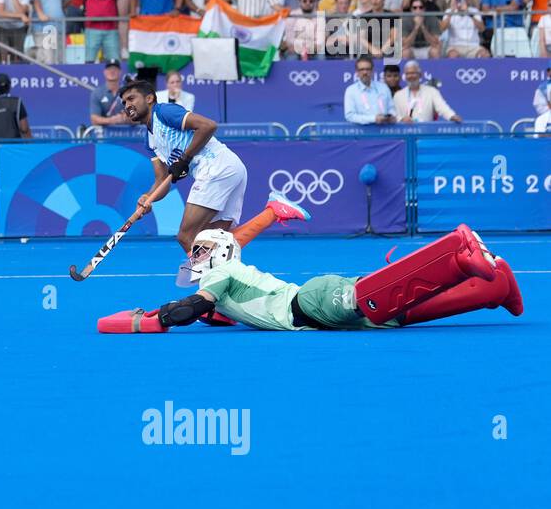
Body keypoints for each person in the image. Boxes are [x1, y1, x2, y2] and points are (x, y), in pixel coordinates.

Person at [99, 225, 522, 334]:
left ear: (221, 252)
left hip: (309, 302)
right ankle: (494, 287)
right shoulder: (224, 287)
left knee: (378, 297)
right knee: (400, 313)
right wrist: (146, 315)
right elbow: (214, 315)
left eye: (201, 250)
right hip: (315, 316)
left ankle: (458, 253)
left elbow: (195, 308)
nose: (196, 258)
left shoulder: (223, 273)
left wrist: (159, 319)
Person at [119, 78, 307, 255]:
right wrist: (148, 198)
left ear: (149, 98)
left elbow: (208, 126)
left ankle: (212, 280)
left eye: (131, 99)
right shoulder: (150, 141)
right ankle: (273, 212)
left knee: (187, 237)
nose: (127, 106)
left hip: (217, 167)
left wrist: (184, 159)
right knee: (217, 242)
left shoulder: (164, 112)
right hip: (229, 168)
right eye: (124, 103)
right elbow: (162, 181)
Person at [393, 60, 462, 124]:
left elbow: (442, 107)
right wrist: (402, 119)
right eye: (408, 74)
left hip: (426, 133)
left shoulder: (431, 91)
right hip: (405, 135)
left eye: (413, 73)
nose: (410, 76)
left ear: (420, 75)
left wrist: (452, 116)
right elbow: (394, 115)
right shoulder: (398, 95)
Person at [343, 56, 396, 125]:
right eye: (361, 69)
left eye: (368, 69)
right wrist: (374, 119)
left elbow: (391, 108)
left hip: (384, 131)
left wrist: (390, 116)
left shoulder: (383, 87)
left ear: (372, 70)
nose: (365, 72)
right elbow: (350, 116)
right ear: (357, 72)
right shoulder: (351, 91)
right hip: (363, 133)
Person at [0, 73, 32, 138]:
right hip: (11, 147)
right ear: (9, 86)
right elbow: (24, 129)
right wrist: (32, 146)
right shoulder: (16, 102)